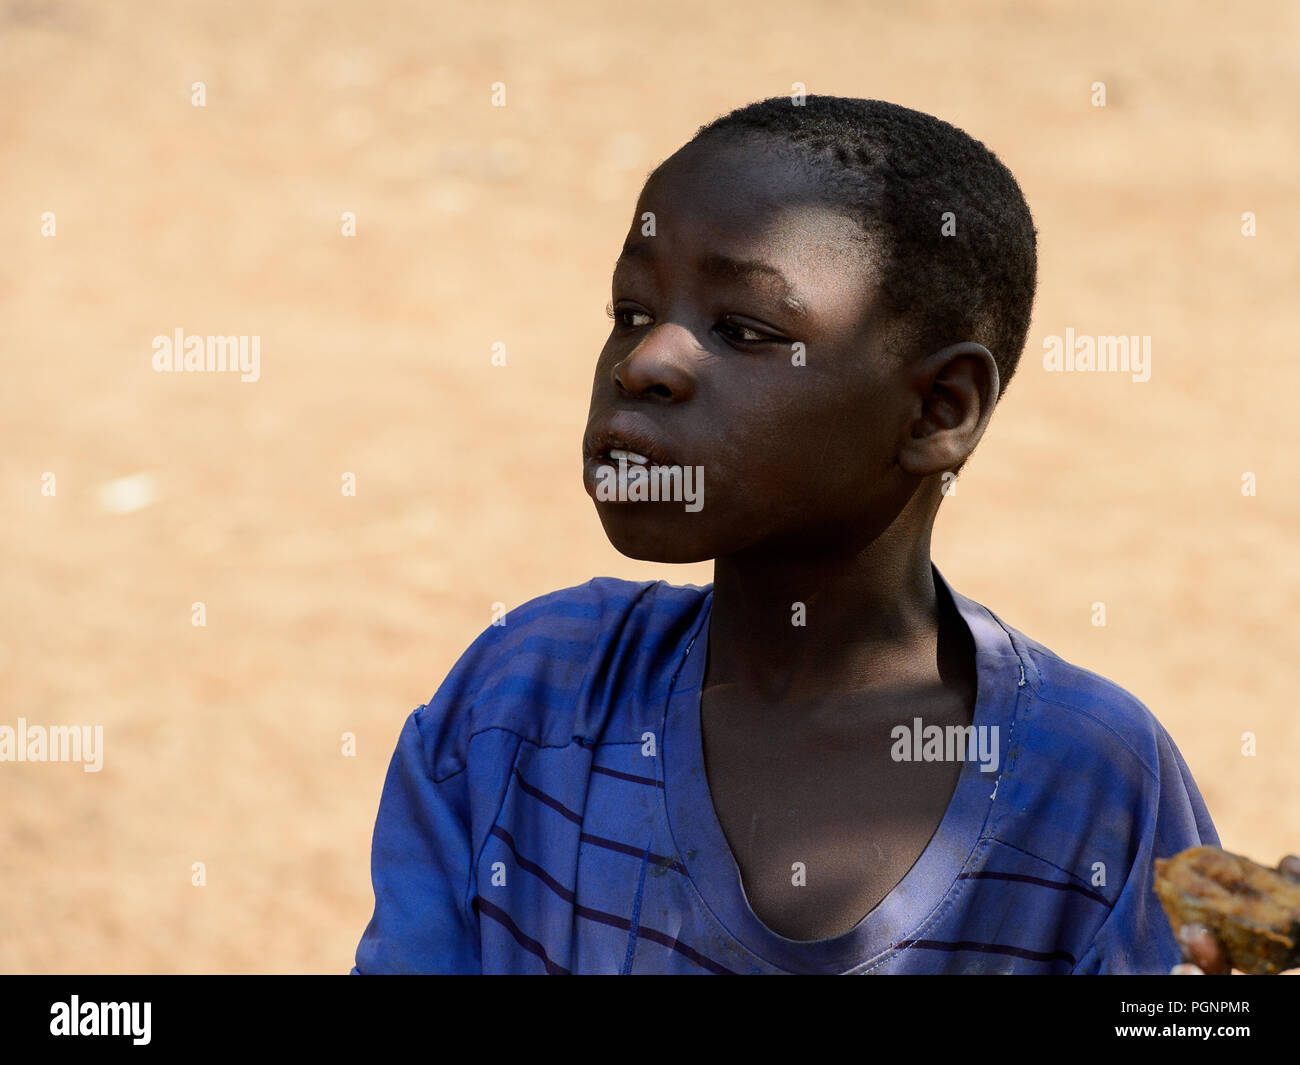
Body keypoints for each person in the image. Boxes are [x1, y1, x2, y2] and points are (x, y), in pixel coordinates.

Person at [352, 95, 1219, 974]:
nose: (644, 362)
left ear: (939, 409)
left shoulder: (1088, 788)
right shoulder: (522, 701)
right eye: (631, 309)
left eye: (744, 331)